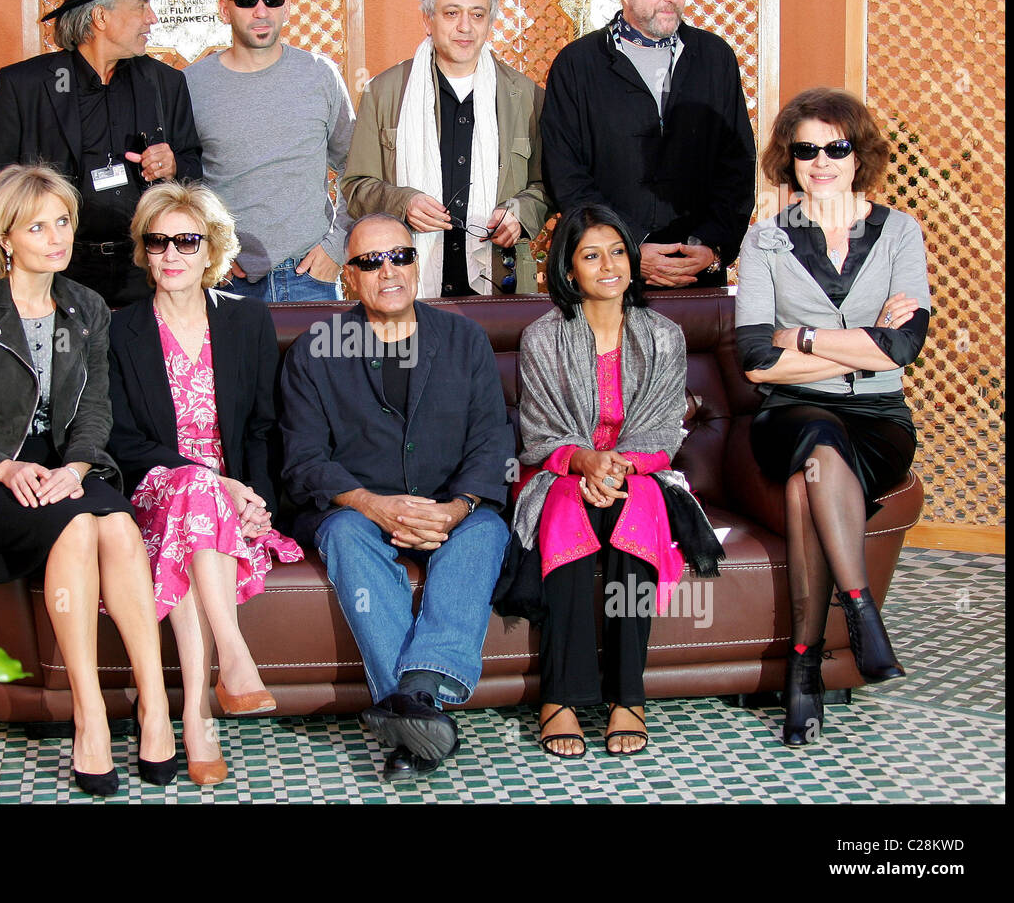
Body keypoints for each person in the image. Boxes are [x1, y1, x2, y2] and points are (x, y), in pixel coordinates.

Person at [0, 164, 177, 795]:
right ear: (6, 236)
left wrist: (77, 468)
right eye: (38, 226)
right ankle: (90, 718)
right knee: (80, 528)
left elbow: (95, 411)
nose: (57, 238)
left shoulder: (85, 308)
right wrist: (2, 466)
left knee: (115, 522)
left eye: (63, 222)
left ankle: (155, 702)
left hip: (64, 464)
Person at [280, 214, 513, 781]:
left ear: (416, 263)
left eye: (401, 256)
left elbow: (492, 440)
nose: (389, 271)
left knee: (487, 530)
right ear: (349, 280)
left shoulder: (463, 338)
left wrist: (456, 508)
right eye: (369, 262)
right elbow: (304, 460)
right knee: (342, 534)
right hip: (359, 511)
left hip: (448, 508)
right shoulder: (315, 350)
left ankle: (414, 698)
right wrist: (373, 505)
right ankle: (419, 707)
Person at [736, 87, 929, 746]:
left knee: (807, 480)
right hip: (790, 414)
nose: (820, 161)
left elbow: (904, 347)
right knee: (817, 437)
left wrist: (806, 340)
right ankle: (863, 614)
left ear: (859, 154)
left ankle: (803, 670)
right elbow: (757, 362)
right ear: (789, 160)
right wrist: (861, 345)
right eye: (806, 150)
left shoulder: (900, 231)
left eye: (835, 148)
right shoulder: (766, 238)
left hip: (879, 421)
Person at [499, 206, 722, 759]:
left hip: (640, 470)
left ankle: (629, 695)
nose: (608, 265)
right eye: (591, 255)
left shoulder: (665, 336)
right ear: (569, 270)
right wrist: (583, 463)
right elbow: (540, 431)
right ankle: (561, 699)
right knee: (565, 511)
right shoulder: (542, 337)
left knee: (638, 504)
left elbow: (664, 429)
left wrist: (615, 466)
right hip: (561, 470)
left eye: (617, 251)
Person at [107, 181, 303, 786]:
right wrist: (212, 483)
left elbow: (264, 428)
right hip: (152, 493)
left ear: (211, 248)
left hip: (228, 504)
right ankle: (235, 661)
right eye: (157, 241)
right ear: (143, 249)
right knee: (194, 492)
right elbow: (120, 440)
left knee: (199, 515)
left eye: (186, 240)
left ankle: (194, 718)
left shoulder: (245, 322)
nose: (171, 254)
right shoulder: (118, 330)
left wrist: (256, 497)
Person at [0, 0, 203, 307]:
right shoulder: (24, 86)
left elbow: (195, 169)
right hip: (55, 273)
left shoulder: (166, 83)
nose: (152, 19)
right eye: (142, 5)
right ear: (100, 16)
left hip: (146, 269)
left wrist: (174, 165)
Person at [540, 0, 755, 288]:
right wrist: (628, 246)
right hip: (606, 278)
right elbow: (565, 174)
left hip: (696, 275)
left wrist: (710, 247)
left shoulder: (715, 58)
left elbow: (737, 165)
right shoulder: (577, 65)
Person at [341, 0, 549, 298]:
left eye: (477, 14)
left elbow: (547, 185)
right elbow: (355, 186)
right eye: (452, 13)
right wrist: (402, 204)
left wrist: (520, 214)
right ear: (428, 20)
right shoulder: (385, 92)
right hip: (407, 284)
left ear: (490, 23)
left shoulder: (525, 95)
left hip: (498, 282)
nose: (465, 27)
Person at [184, 0, 355, 301]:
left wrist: (336, 248)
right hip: (227, 282)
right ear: (225, 9)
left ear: (287, 7)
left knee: (319, 358)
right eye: (246, 0)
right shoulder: (191, 84)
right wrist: (208, 252)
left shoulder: (320, 75)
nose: (261, 11)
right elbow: (183, 186)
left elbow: (357, 167)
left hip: (310, 276)